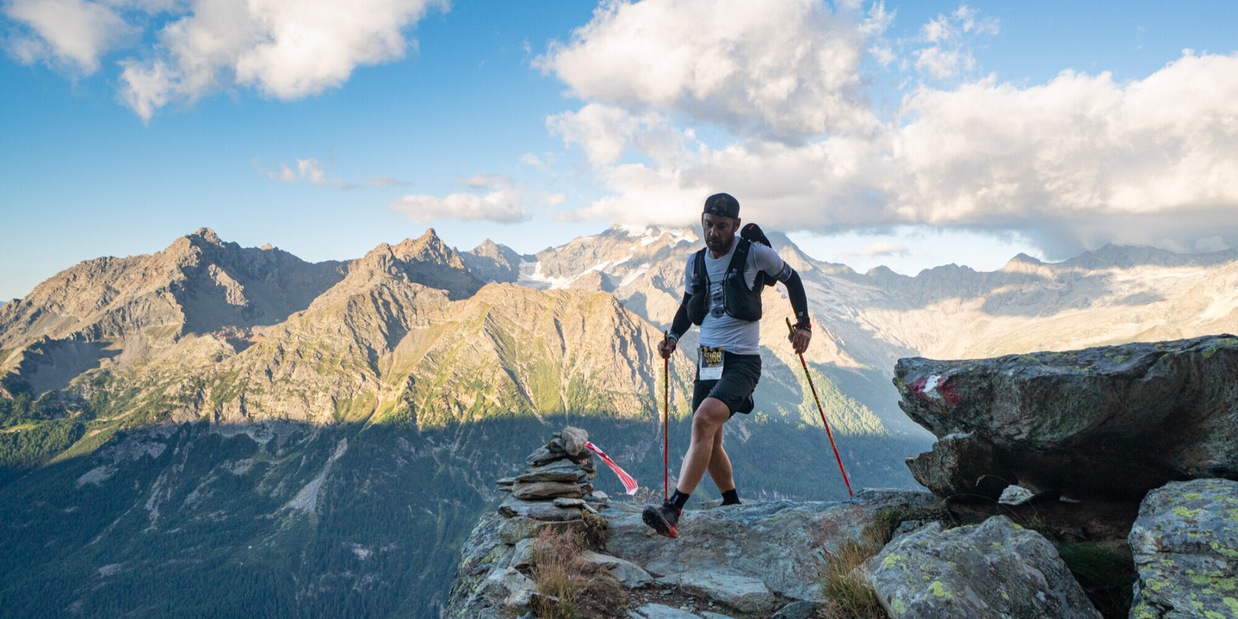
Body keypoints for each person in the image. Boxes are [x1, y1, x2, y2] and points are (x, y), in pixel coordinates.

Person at [643, 192, 812, 539]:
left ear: (736, 225)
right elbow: (689, 302)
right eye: (708, 225)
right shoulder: (694, 263)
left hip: (742, 360)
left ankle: (673, 509)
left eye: (721, 227)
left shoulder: (754, 253)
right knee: (711, 435)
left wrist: (804, 324)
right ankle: (731, 502)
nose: (713, 233)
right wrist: (673, 337)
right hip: (709, 358)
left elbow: (792, 278)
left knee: (703, 419)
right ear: (701, 222)